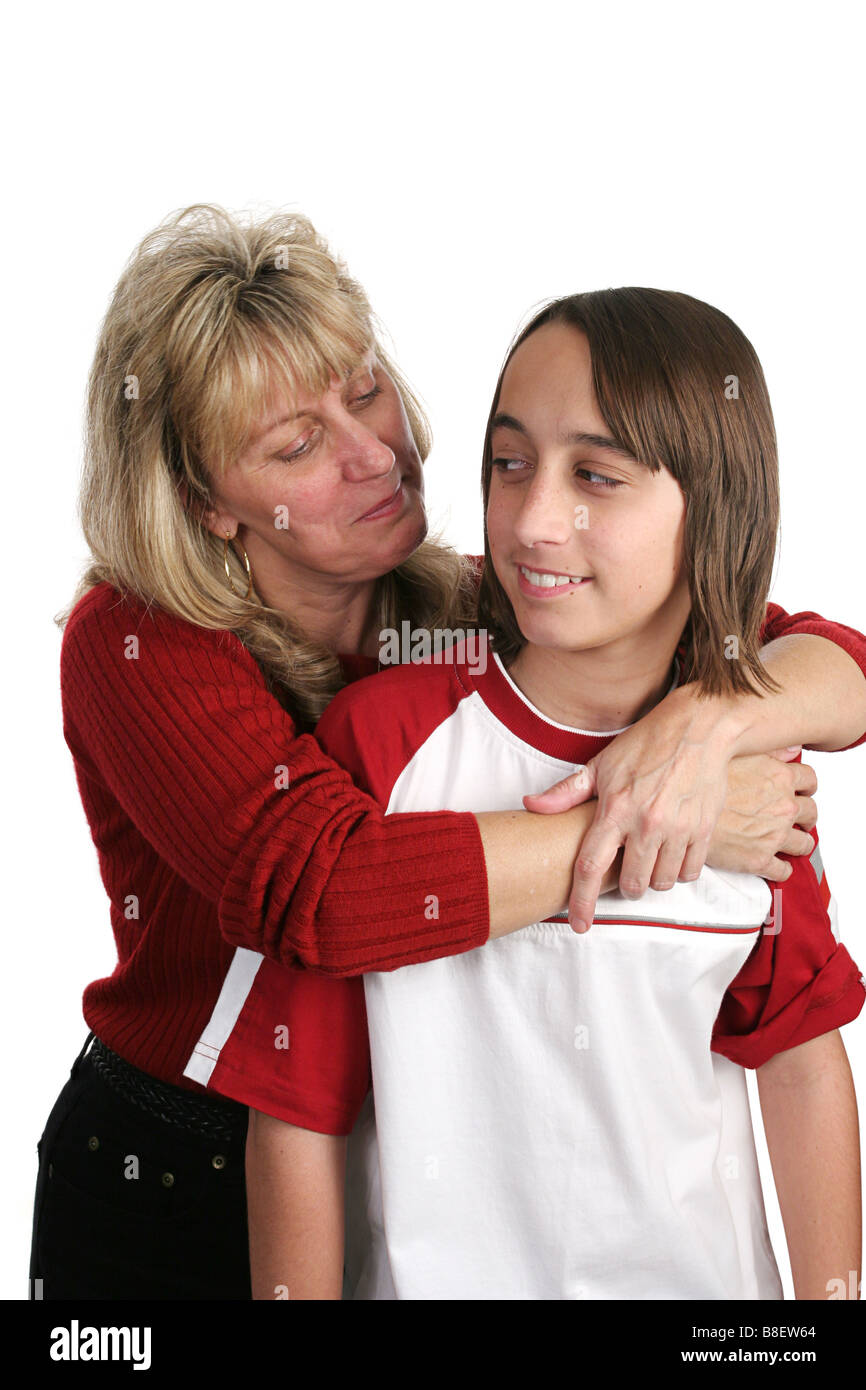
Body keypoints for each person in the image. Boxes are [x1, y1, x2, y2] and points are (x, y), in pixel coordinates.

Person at [31, 203, 866, 1301]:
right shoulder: (137, 642)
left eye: (364, 388)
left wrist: (702, 729)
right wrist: (661, 823)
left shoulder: (471, 607)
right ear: (206, 503)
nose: (375, 453)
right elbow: (323, 896)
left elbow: (790, 645)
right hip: (180, 1164)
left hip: (395, 1143)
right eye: (298, 445)